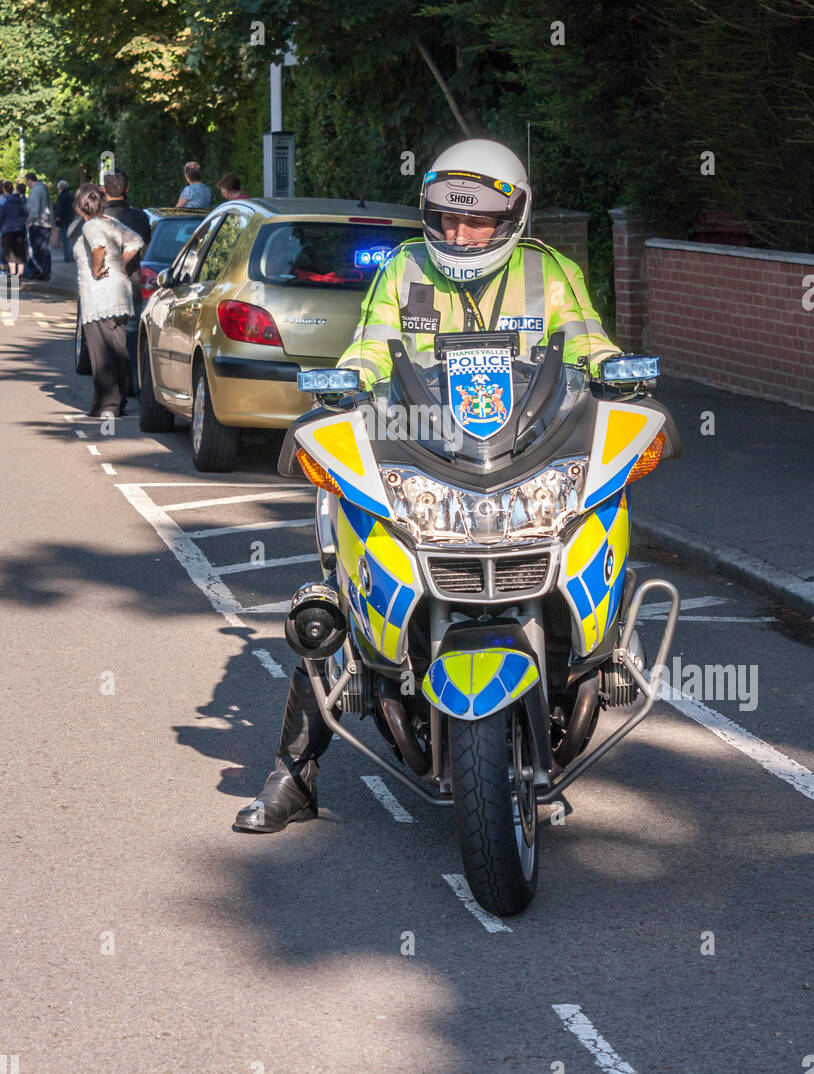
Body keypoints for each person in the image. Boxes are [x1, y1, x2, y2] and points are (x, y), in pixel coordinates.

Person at [234, 137, 621, 834]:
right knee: (338, 601)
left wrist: (617, 370)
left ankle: (584, 669)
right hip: (418, 451)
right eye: (445, 218)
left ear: (514, 218)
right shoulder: (405, 268)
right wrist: (349, 379)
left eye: (476, 222)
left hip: (525, 457)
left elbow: (588, 343)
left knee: (590, 538)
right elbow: (371, 345)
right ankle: (294, 774)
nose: (458, 234)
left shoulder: (550, 272)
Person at [72, 182, 145, 417]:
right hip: (120, 292)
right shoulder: (112, 223)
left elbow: (99, 248)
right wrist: (121, 266)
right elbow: (135, 241)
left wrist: (97, 269)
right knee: (117, 351)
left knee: (101, 353)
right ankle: (118, 402)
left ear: (80, 205)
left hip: (99, 296)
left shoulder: (90, 226)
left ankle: (106, 405)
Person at [102, 170, 151, 395]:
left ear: (104, 190)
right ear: (127, 189)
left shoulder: (97, 218)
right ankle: (134, 383)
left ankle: (112, 385)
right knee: (132, 333)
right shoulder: (140, 217)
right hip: (130, 282)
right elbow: (145, 242)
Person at [24, 171, 55, 280]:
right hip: (46, 223)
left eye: (26, 181)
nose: (26, 184)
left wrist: (29, 220)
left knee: (38, 249)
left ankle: (41, 272)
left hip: (38, 223)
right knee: (45, 249)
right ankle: (46, 272)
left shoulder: (36, 190)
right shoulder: (43, 188)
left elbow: (34, 208)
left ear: (29, 179)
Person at [0, 181, 28, 277]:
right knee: (20, 250)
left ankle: (12, 272)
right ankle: (20, 272)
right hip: (20, 228)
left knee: (9, 251)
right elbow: (25, 212)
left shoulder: (3, 200)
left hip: (7, 229)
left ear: (4, 190)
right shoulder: (20, 200)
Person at [55, 180, 75, 262]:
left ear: (60, 188)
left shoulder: (62, 197)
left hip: (64, 220)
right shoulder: (71, 195)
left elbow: (60, 209)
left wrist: (57, 217)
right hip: (71, 218)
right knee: (69, 239)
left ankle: (67, 257)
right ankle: (71, 256)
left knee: (65, 239)